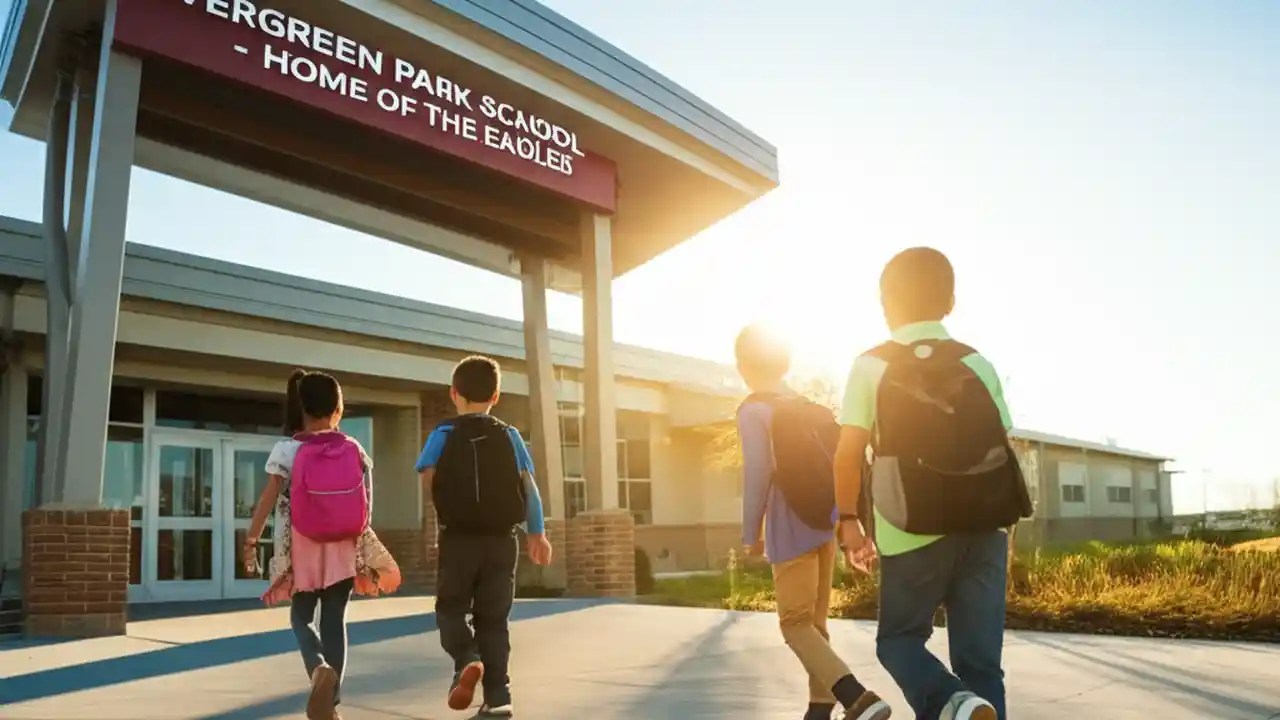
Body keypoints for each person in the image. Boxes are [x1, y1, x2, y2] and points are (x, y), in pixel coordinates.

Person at [833, 248, 1030, 720]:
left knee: (899, 641)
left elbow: (846, 453)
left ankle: (951, 702)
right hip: (985, 528)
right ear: (951, 301)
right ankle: (968, 705)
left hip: (909, 525)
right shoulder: (977, 363)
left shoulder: (871, 365)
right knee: (982, 665)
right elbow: (1003, 445)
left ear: (886, 303)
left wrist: (848, 522)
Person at [735, 325, 893, 720]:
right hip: (825, 521)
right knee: (815, 625)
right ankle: (819, 710)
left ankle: (857, 696)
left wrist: (750, 532)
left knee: (794, 623)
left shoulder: (754, 409)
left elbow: (758, 472)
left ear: (742, 365)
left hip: (790, 524)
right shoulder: (809, 407)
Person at [243, 370, 402, 720]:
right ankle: (331, 706)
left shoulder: (288, 449)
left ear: (301, 407)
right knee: (335, 622)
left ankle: (317, 668)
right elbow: (366, 506)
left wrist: (251, 540)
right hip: (343, 549)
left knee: (301, 618)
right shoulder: (354, 448)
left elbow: (268, 499)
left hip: (302, 549)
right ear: (338, 407)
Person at [416, 356, 554, 717]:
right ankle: (498, 698)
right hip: (501, 541)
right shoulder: (509, 435)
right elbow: (530, 488)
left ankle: (465, 659)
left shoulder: (443, 434)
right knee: (493, 620)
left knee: (450, 609)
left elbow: (427, 475)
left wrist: (442, 516)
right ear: (496, 395)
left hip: (459, 539)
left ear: (454, 394)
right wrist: (536, 533)